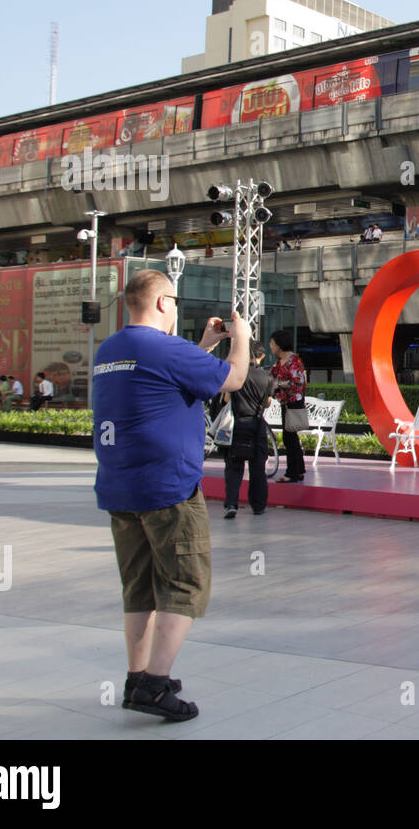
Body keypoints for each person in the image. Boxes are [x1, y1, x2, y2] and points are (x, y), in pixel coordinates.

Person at [93, 269, 251, 722]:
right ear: (163, 303)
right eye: (176, 300)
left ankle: (136, 677)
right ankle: (156, 686)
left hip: (120, 488)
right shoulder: (165, 348)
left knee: (138, 587)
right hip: (169, 489)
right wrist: (240, 336)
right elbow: (235, 379)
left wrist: (203, 346)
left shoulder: (112, 349)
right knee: (184, 583)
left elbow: (165, 381)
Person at [222, 340, 274, 519]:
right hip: (257, 424)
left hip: (237, 425)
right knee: (258, 467)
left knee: (234, 467)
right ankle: (258, 505)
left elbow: (227, 399)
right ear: (260, 356)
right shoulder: (266, 377)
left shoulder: (236, 375)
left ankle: (231, 504)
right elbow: (268, 402)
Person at [268, 328, 307, 483]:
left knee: (289, 437)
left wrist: (280, 384)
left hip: (293, 402)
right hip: (285, 402)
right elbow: (271, 376)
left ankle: (292, 473)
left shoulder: (294, 360)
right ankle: (299, 470)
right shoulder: (279, 362)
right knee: (291, 437)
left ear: (279, 344)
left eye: (272, 343)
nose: (271, 346)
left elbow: (298, 382)